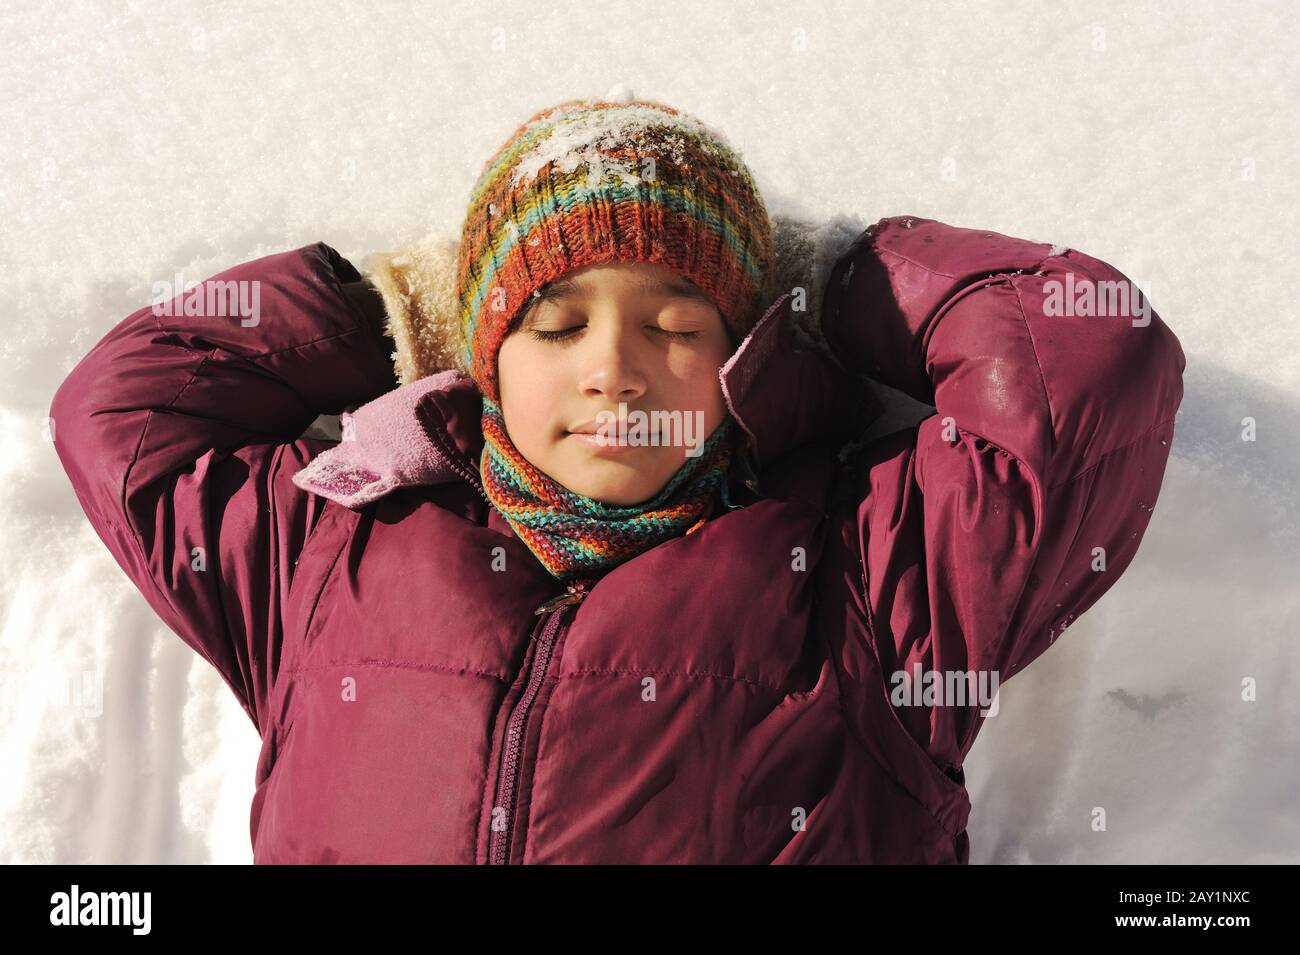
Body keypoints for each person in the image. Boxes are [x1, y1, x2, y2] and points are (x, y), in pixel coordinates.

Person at [48, 97, 1186, 863]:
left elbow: (1085, 357)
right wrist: (377, 303)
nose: (612, 367)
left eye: (676, 321)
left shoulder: (866, 569)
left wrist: (839, 280)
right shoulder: (329, 546)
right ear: (482, 357)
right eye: (554, 322)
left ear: (743, 356)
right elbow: (124, 407)